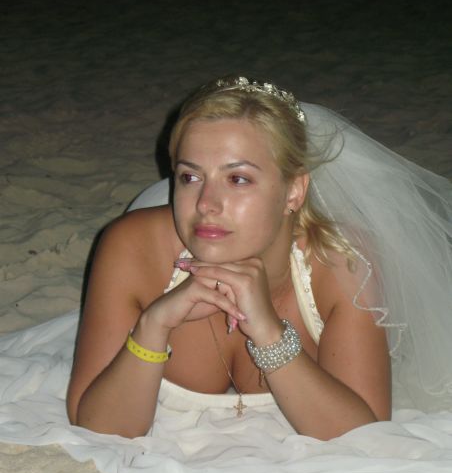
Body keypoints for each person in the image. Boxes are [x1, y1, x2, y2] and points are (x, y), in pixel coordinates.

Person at [66, 75, 452, 441]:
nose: (206, 204)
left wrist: (269, 333)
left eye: (238, 179)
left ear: (294, 191)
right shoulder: (131, 247)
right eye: (190, 177)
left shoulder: (341, 261)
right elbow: (100, 428)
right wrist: (153, 324)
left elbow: (364, 438)